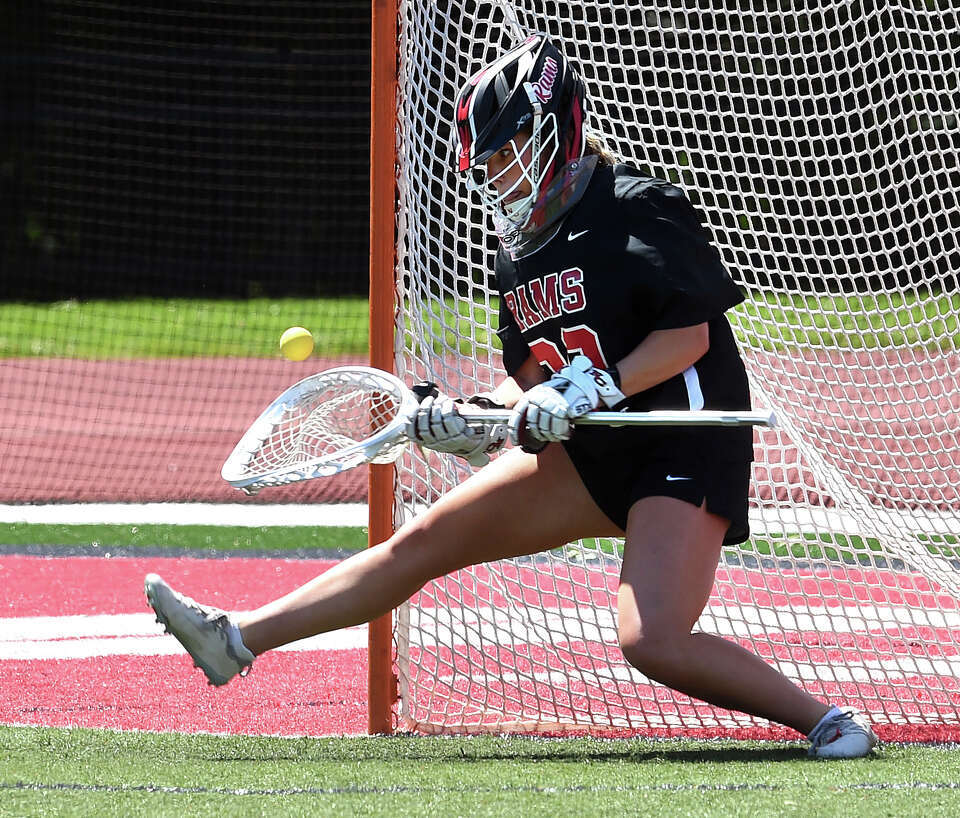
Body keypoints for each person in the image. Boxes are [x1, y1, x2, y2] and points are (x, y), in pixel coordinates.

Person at [144, 34, 876, 759]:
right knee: (421, 544)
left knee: (650, 640)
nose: (496, 173)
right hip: (592, 450)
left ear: (554, 129)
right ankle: (234, 639)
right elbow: (530, 374)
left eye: (505, 151)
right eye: (485, 161)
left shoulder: (637, 206)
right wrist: (471, 418)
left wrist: (596, 385)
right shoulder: (519, 245)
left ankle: (827, 722)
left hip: (679, 446)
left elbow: (687, 338)